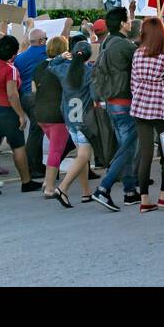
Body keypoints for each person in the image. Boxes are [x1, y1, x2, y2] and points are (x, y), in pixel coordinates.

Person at [130, 17, 164, 211]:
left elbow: (134, 83)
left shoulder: (137, 54)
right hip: (161, 107)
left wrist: (140, 97)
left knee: (145, 154)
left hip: (139, 106)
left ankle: (144, 199)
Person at [90, 7, 140, 211]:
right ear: (122, 24)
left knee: (125, 148)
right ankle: (104, 188)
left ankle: (130, 191)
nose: (130, 23)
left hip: (111, 102)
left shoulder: (107, 44)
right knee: (128, 149)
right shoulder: (124, 46)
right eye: (128, 20)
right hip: (125, 102)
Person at [0, 34, 38, 197]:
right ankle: (26, 182)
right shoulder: (10, 69)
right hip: (6, 111)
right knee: (18, 146)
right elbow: (12, 94)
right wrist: (20, 114)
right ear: (13, 54)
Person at [46, 39, 95, 207]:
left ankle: (86, 191)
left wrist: (60, 56)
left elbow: (50, 65)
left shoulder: (63, 70)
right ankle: (63, 188)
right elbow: (96, 96)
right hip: (84, 119)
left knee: (81, 157)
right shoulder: (89, 72)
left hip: (69, 118)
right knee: (84, 156)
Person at [33, 36, 70, 197]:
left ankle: (47, 181)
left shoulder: (39, 66)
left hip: (41, 113)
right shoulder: (63, 67)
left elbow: (34, 90)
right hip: (57, 114)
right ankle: (49, 187)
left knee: (57, 148)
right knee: (56, 150)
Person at [15, 27, 49, 180]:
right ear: (41, 41)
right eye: (46, 39)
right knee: (36, 132)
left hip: (25, 96)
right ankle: (32, 167)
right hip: (38, 96)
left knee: (36, 131)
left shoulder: (21, 57)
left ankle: (36, 165)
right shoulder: (46, 53)